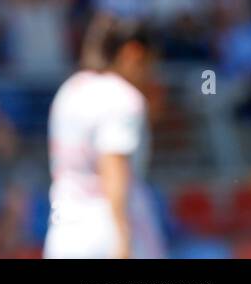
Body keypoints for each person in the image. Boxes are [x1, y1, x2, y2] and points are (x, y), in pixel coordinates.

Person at [44, 15, 166, 259]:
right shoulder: (123, 98)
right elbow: (112, 165)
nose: (151, 74)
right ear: (132, 54)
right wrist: (122, 237)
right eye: (149, 64)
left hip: (64, 235)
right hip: (110, 231)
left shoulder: (69, 90)